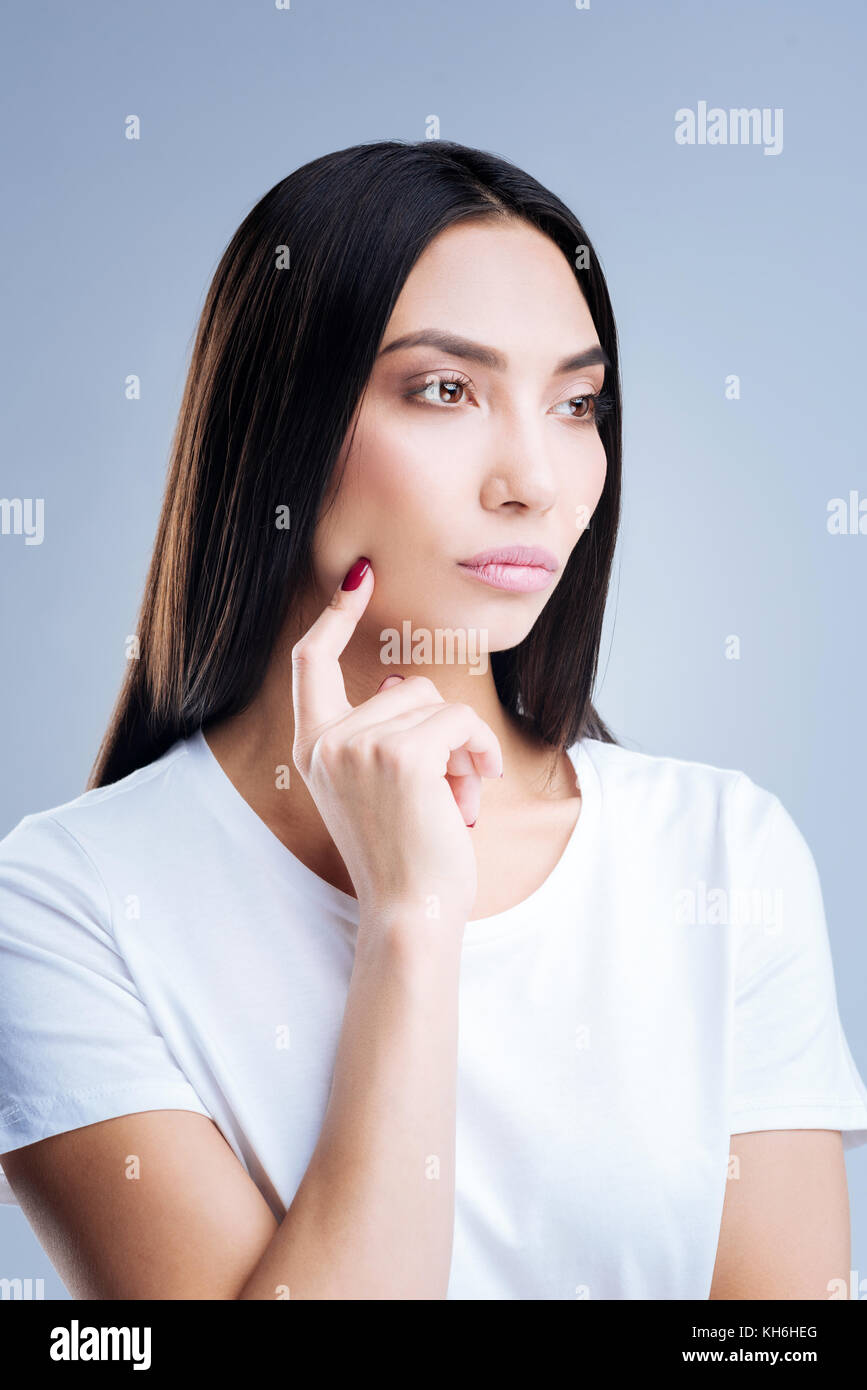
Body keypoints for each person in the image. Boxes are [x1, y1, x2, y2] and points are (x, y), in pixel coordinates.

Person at [1, 139, 865, 1301]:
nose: (536, 479)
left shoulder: (720, 850)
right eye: (446, 390)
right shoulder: (63, 906)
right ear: (280, 429)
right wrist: (409, 921)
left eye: (576, 403)